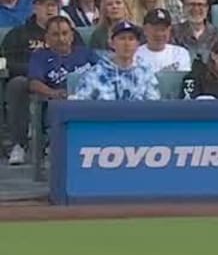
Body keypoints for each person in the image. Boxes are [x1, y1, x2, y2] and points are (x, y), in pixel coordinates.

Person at [6, 15, 91, 164]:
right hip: (54, 104)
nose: (61, 39)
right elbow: (33, 83)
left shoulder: (85, 53)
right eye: (55, 35)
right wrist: (53, 93)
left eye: (65, 33)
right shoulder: (40, 56)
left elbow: (105, 72)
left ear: (72, 35)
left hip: (86, 101)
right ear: (47, 38)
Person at [72, 21, 159, 100]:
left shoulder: (146, 72)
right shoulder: (95, 73)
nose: (127, 43)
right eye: (122, 38)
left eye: (131, 39)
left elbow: (154, 105)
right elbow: (81, 104)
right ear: (112, 43)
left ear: (137, 44)